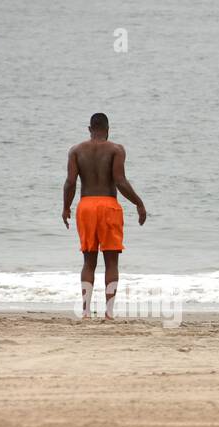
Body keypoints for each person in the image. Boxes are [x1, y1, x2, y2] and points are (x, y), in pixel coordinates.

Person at [62, 113, 146, 320]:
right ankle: (109, 312)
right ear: (108, 130)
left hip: (86, 207)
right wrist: (139, 203)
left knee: (88, 262)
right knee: (111, 262)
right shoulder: (116, 150)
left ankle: (85, 311)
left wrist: (66, 208)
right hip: (108, 206)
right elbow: (120, 181)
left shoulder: (75, 151)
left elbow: (70, 182)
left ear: (89, 129)